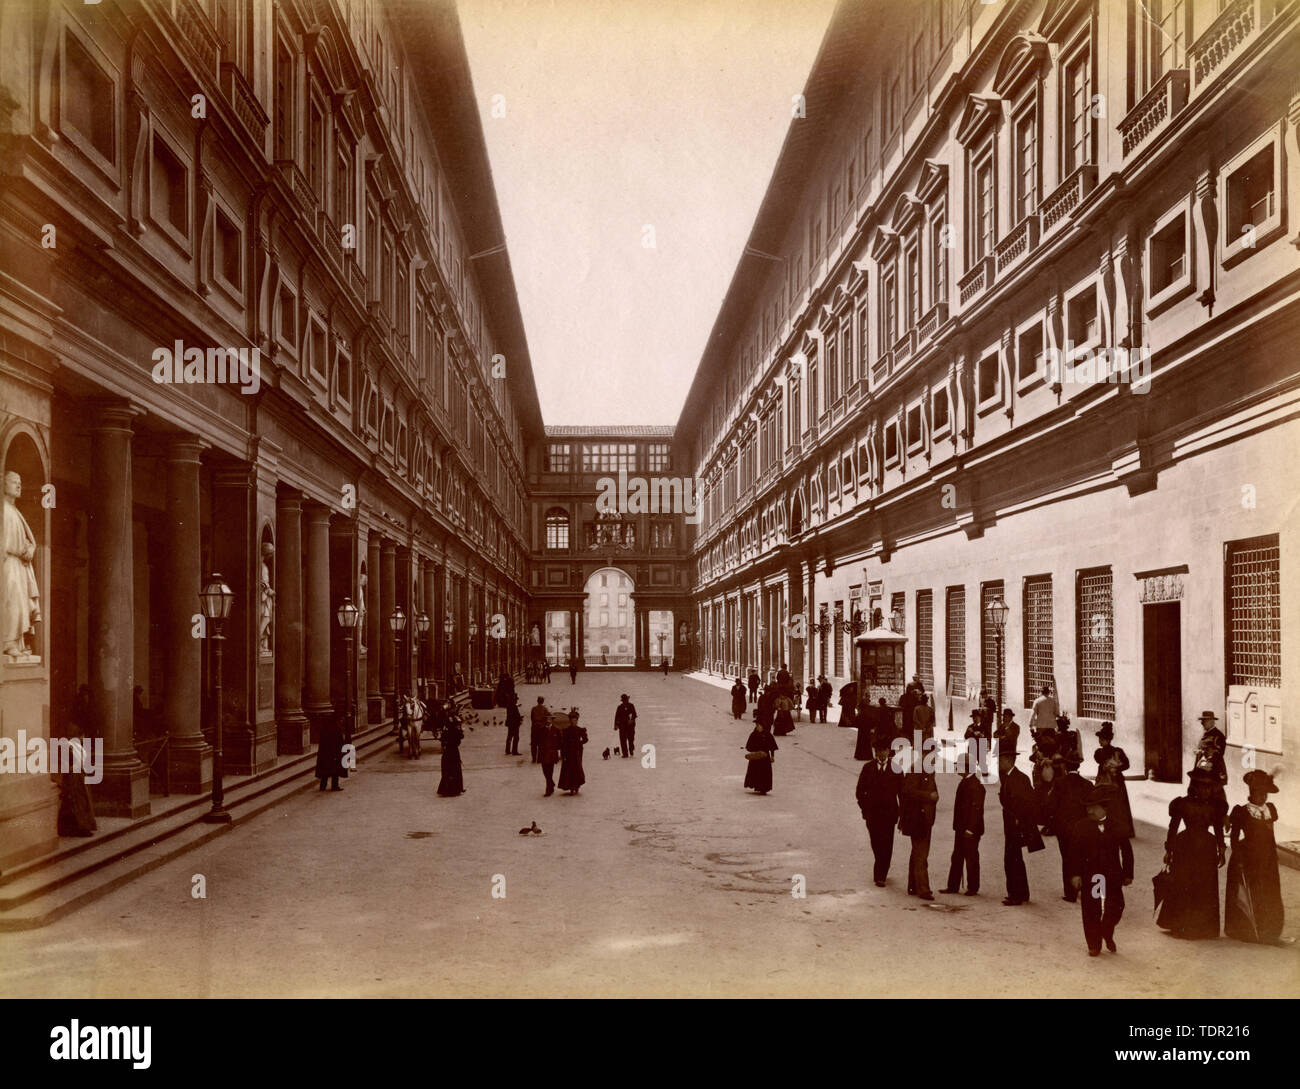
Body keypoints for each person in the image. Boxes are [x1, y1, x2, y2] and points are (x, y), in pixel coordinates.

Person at [1159, 767, 1227, 939]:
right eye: (1202, 787)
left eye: (1209, 787)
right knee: (1184, 884)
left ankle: (1204, 927)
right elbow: (1172, 828)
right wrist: (1169, 849)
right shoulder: (1182, 803)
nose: (1206, 790)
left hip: (1207, 848)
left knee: (1204, 886)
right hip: (1185, 847)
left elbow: (1219, 828)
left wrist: (1222, 849)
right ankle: (1181, 925)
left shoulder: (1214, 806)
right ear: (1194, 786)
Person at [1066, 785, 1134, 956]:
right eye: (1087, 807)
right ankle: (1094, 944)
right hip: (1093, 876)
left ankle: (1107, 932)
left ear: (1104, 807)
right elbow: (1073, 854)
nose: (1089, 810)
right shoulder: (1081, 827)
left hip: (1112, 875)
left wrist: (1127, 873)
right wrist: (1075, 874)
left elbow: (1126, 851)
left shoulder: (1118, 826)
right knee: (1092, 909)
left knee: (1116, 907)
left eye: (1093, 807)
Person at [1225, 769, 1285, 944]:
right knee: (1253, 892)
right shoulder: (1241, 811)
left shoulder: (1270, 810)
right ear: (1251, 793)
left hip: (1267, 858)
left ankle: (1270, 930)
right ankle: (1250, 930)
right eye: (1259, 793)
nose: (1263, 797)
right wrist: (1239, 859)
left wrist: (1273, 854)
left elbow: (1270, 833)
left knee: (1270, 892)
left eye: (1265, 794)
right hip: (1249, 857)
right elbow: (1234, 838)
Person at [856, 736, 903, 886]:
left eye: (884, 751)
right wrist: (865, 808)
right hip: (872, 814)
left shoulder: (896, 769)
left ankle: (881, 875)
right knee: (876, 843)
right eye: (878, 751)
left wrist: (902, 814)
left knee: (887, 844)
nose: (881, 754)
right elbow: (859, 791)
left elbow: (902, 794)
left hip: (889, 814)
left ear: (889, 752)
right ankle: (881, 867)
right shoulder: (868, 768)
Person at [998, 746, 1042, 905]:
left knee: (1012, 860)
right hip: (1011, 825)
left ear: (1009, 761)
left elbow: (1027, 803)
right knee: (1016, 859)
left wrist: (1019, 820)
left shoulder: (1017, 778)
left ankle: (1015, 895)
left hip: (1015, 826)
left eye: (1001, 760)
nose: (999, 763)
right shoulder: (1011, 777)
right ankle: (1022, 893)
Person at [1048, 754, 1092, 902]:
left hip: (1064, 829)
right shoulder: (1087, 784)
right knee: (1083, 857)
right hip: (1082, 828)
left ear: (1065, 767)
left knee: (1067, 858)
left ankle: (1070, 893)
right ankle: (1085, 888)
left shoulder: (1059, 782)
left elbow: (1051, 805)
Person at [942, 754, 985, 895]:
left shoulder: (975, 785)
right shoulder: (966, 782)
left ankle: (973, 887)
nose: (956, 767)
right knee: (957, 856)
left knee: (971, 858)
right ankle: (953, 886)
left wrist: (970, 829)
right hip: (961, 828)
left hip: (969, 830)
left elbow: (976, 810)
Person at [899, 756, 939, 900]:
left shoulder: (928, 771)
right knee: (921, 854)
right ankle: (923, 889)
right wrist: (929, 796)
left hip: (924, 821)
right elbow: (907, 791)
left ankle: (913, 886)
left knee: (917, 853)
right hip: (918, 821)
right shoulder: (916, 772)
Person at [56, 721, 98, 837]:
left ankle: (76, 827)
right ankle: (79, 827)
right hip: (74, 778)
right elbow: (65, 766)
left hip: (79, 776)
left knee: (79, 802)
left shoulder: (76, 747)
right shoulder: (69, 747)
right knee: (77, 803)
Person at [1093, 722, 1134, 839]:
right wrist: (1116, 767)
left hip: (1108, 780)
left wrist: (1114, 767)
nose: (1099, 741)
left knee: (1107, 803)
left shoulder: (1103, 752)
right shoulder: (1111, 752)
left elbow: (1125, 765)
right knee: (1118, 804)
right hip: (1113, 779)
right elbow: (1126, 765)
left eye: (1101, 739)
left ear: (1106, 739)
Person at [1193, 710, 1228, 804]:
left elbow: (1218, 753)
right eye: (1202, 721)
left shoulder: (1218, 736)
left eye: (1204, 721)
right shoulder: (1206, 734)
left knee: (1215, 793)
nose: (1202, 723)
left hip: (1212, 770)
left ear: (1211, 721)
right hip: (1202, 769)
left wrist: (1204, 754)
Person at [315, 711, 347, 792]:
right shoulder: (336, 729)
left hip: (325, 754)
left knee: (325, 771)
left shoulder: (325, 728)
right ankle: (334, 786)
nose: (342, 721)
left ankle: (323, 786)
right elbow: (338, 743)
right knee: (335, 771)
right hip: (334, 754)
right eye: (341, 719)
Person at [743, 720, 778, 794]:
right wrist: (755, 752)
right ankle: (756, 785)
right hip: (756, 758)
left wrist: (772, 756)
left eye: (759, 725)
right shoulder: (753, 734)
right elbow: (749, 747)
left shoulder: (768, 735)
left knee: (764, 774)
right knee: (755, 772)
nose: (757, 727)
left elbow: (772, 747)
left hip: (765, 758)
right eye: (756, 725)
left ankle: (763, 789)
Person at [558, 708, 587, 795]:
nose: (575, 722)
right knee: (569, 769)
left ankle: (576, 786)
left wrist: (580, 743)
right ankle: (571, 787)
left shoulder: (580, 730)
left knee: (577, 769)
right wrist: (563, 753)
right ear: (570, 721)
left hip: (577, 752)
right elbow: (563, 743)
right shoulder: (566, 730)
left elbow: (585, 739)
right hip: (569, 752)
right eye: (573, 720)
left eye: (576, 720)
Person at [437, 707, 465, 796]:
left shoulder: (446, 725)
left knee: (447, 770)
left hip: (447, 751)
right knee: (456, 769)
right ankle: (455, 789)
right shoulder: (456, 724)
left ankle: (446, 789)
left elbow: (442, 739)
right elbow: (460, 737)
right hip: (454, 751)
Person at [538, 715, 561, 796]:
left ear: (552, 720)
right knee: (545, 771)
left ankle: (548, 789)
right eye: (547, 719)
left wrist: (556, 751)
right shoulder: (541, 730)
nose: (548, 720)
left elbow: (559, 743)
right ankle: (551, 783)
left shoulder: (556, 730)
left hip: (551, 754)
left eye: (550, 719)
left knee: (550, 772)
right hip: (543, 754)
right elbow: (537, 741)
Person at [614, 693, 637, 759]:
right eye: (624, 700)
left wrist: (631, 720)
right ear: (622, 701)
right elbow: (617, 717)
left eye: (626, 700)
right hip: (622, 726)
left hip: (630, 726)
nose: (625, 701)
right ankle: (625, 754)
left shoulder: (631, 706)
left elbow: (634, 714)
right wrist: (616, 725)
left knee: (631, 739)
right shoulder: (619, 707)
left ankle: (631, 749)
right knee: (623, 740)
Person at [529, 697, 549, 763]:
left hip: (534, 727)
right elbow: (547, 717)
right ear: (542, 701)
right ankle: (539, 759)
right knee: (541, 744)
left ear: (537, 701)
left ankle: (534, 758)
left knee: (534, 744)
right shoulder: (545, 709)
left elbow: (531, 718)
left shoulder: (533, 708)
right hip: (542, 728)